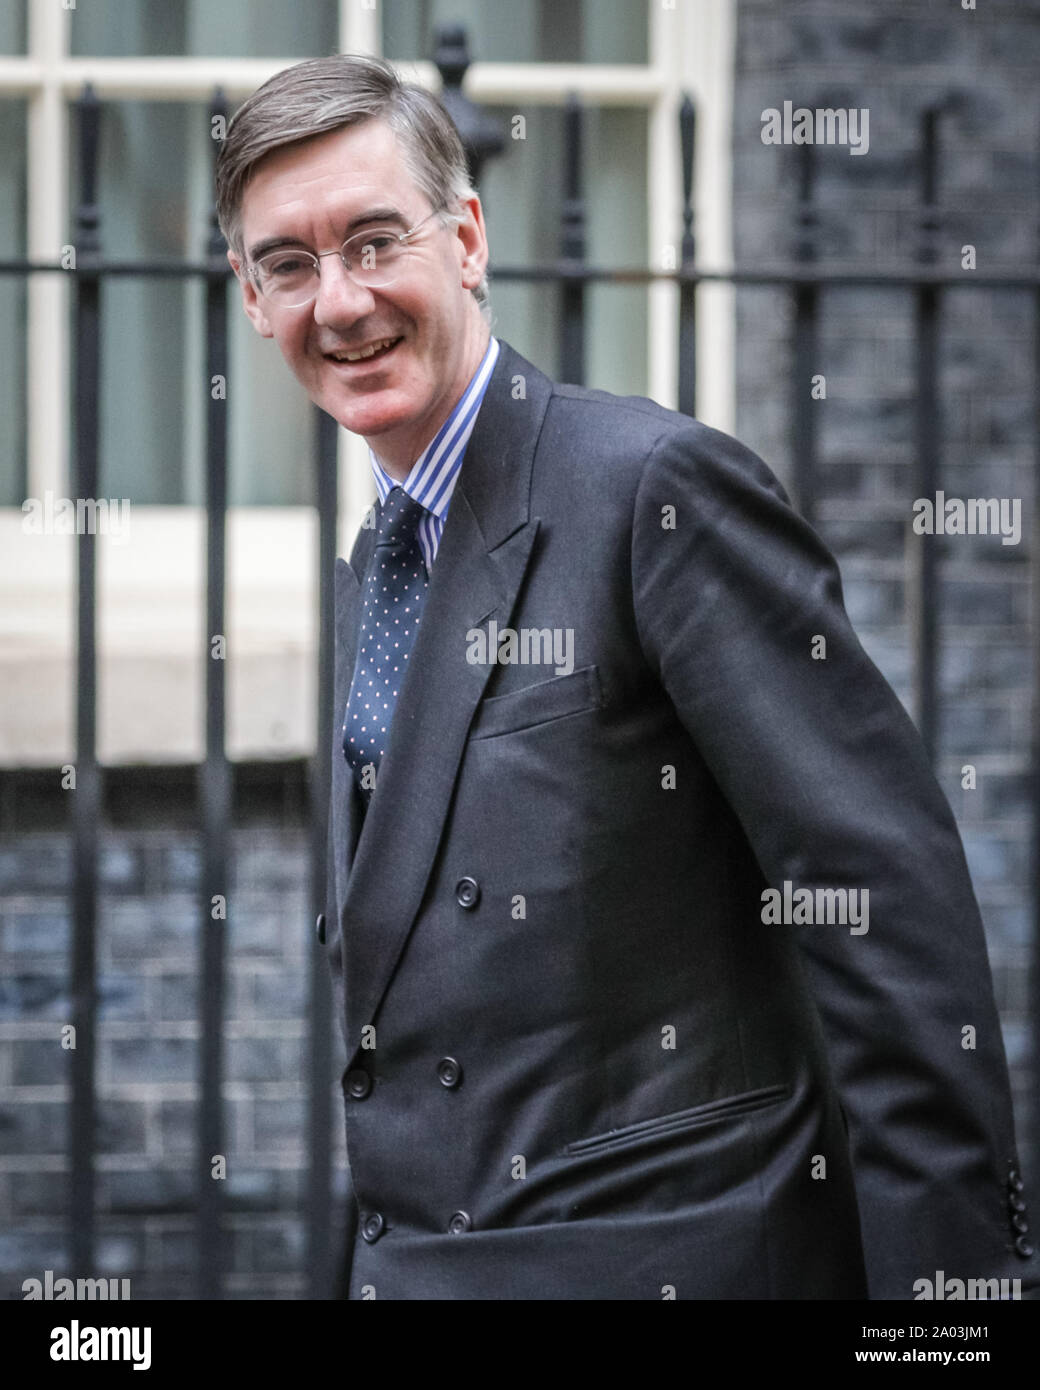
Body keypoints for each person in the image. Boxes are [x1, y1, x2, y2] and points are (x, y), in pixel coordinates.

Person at [215, 53, 1036, 1300]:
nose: (339, 301)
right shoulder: (379, 560)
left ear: (468, 238)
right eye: (290, 262)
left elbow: (877, 908)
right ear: (249, 296)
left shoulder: (651, 490)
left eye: (374, 241)